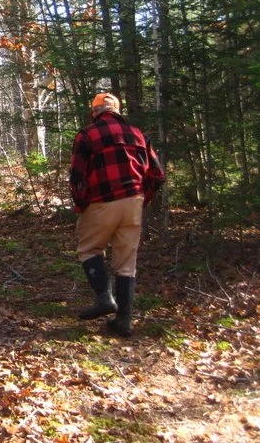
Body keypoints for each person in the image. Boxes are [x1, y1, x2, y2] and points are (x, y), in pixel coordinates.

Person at [69, 92, 165, 337]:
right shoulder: (138, 134)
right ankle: (124, 321)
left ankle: (104, 298)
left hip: (101, 201)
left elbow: (77, 177)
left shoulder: (87, 135)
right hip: (133, 201)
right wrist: (142, 199)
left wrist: (82, 205)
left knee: (89, 249)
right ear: (117, 111)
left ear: (95, 111)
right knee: (126, 264)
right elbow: (157, 175)